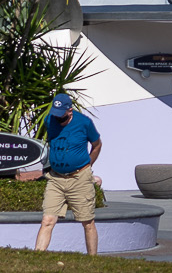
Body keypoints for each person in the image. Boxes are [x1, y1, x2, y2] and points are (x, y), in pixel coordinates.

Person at [35, 92, 104, 256]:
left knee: (87, 222)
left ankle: (92, 260)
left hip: (79, 178)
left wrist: (87, 166)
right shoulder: (49, 120)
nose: (58, 118)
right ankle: (36, 258)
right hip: (56, 178)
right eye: (56, 115)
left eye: (62, 116)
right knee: (47, 220)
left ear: (70, 110)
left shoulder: (84, 123)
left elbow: (97, 145)